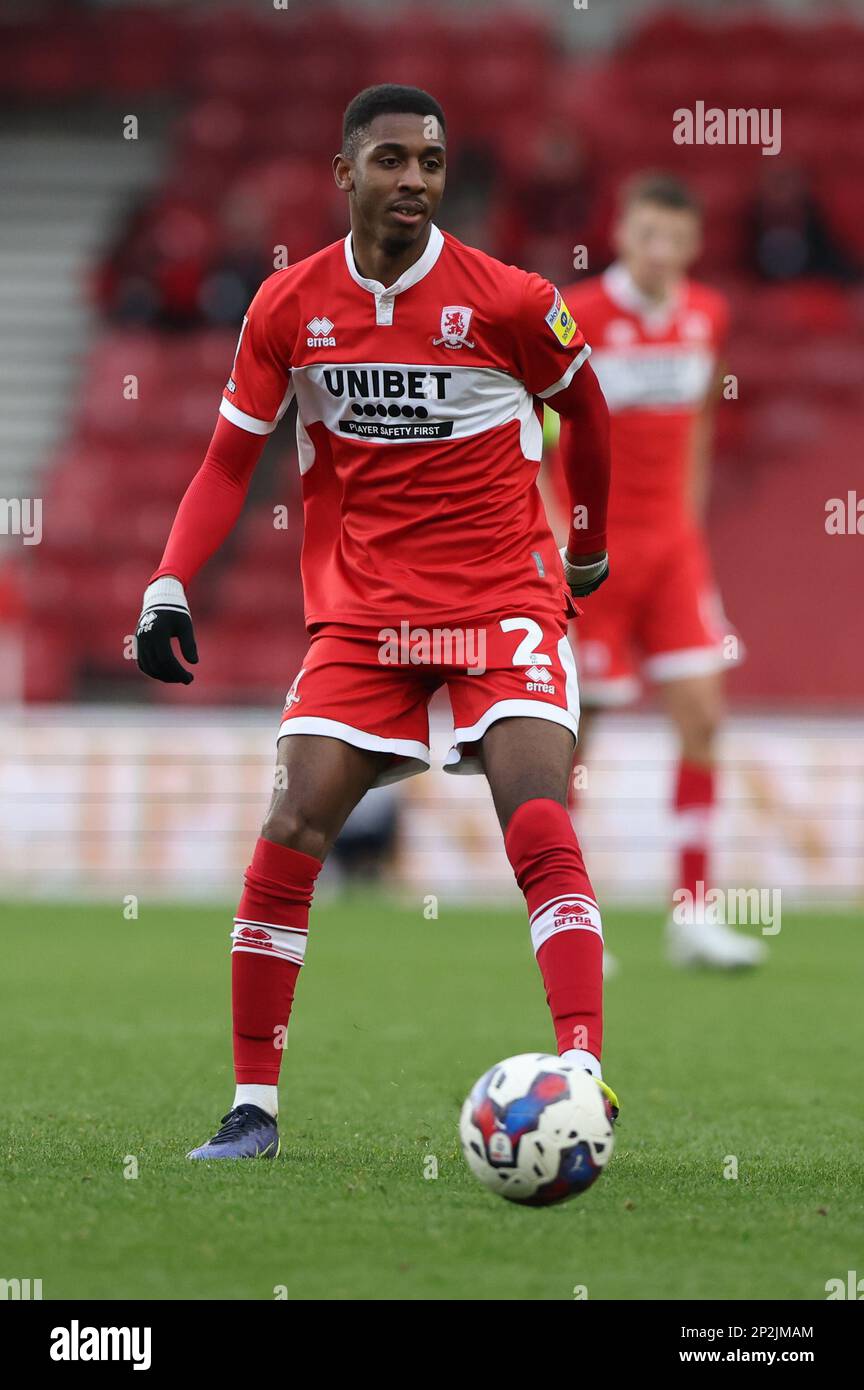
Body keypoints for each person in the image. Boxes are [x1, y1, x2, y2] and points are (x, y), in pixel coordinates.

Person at [135, 84, 618, 1160]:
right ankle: (252, 1108)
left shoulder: (509, 300)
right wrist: (168, 579)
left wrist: (585, 544)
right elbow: (227, 460)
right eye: (393, 160)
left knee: (537, 818)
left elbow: (586, 409)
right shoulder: (287, 307)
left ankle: (581, 1073)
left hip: (503, 602)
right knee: (293, 822)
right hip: (365, 619)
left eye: (433, 164)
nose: (415, 181)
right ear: (345, 171)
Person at [546, 172, 764, 969]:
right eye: (648, 234)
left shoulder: (709, 314)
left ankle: (694, 912)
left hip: (673, 548)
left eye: (676, 238)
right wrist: (556, 538)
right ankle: (570, 916)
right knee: (576, 734)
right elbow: (540, 438)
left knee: (703, 716)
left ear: (694, 245)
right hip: (592, 554)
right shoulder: (577, 316)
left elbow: (702, 421)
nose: (661, 251)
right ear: (621, 234)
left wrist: (690, 516)